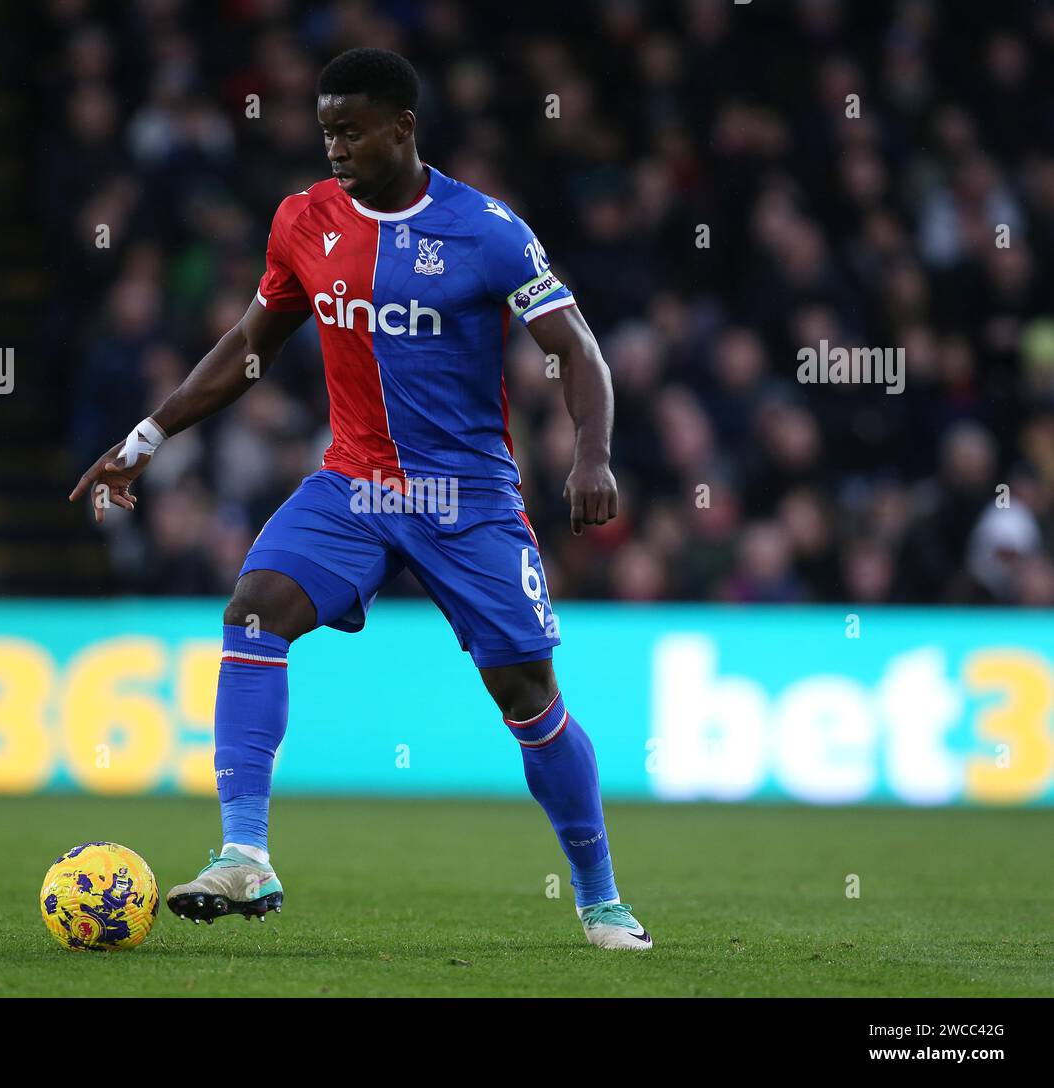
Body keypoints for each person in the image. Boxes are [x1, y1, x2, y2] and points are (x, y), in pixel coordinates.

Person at [70, 48, 650, 949]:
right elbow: (250, 345)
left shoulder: (487, 230)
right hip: (356, 482)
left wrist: (592, 458)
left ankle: (600, 896)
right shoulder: (305, 220)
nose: (334, 145)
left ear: (403, 127)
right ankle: (244, 854)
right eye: (325, 127)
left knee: (527, 693)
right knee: (255, 608)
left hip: (468, 497)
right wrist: (146, 440)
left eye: (351, 129)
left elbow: (578, 349)